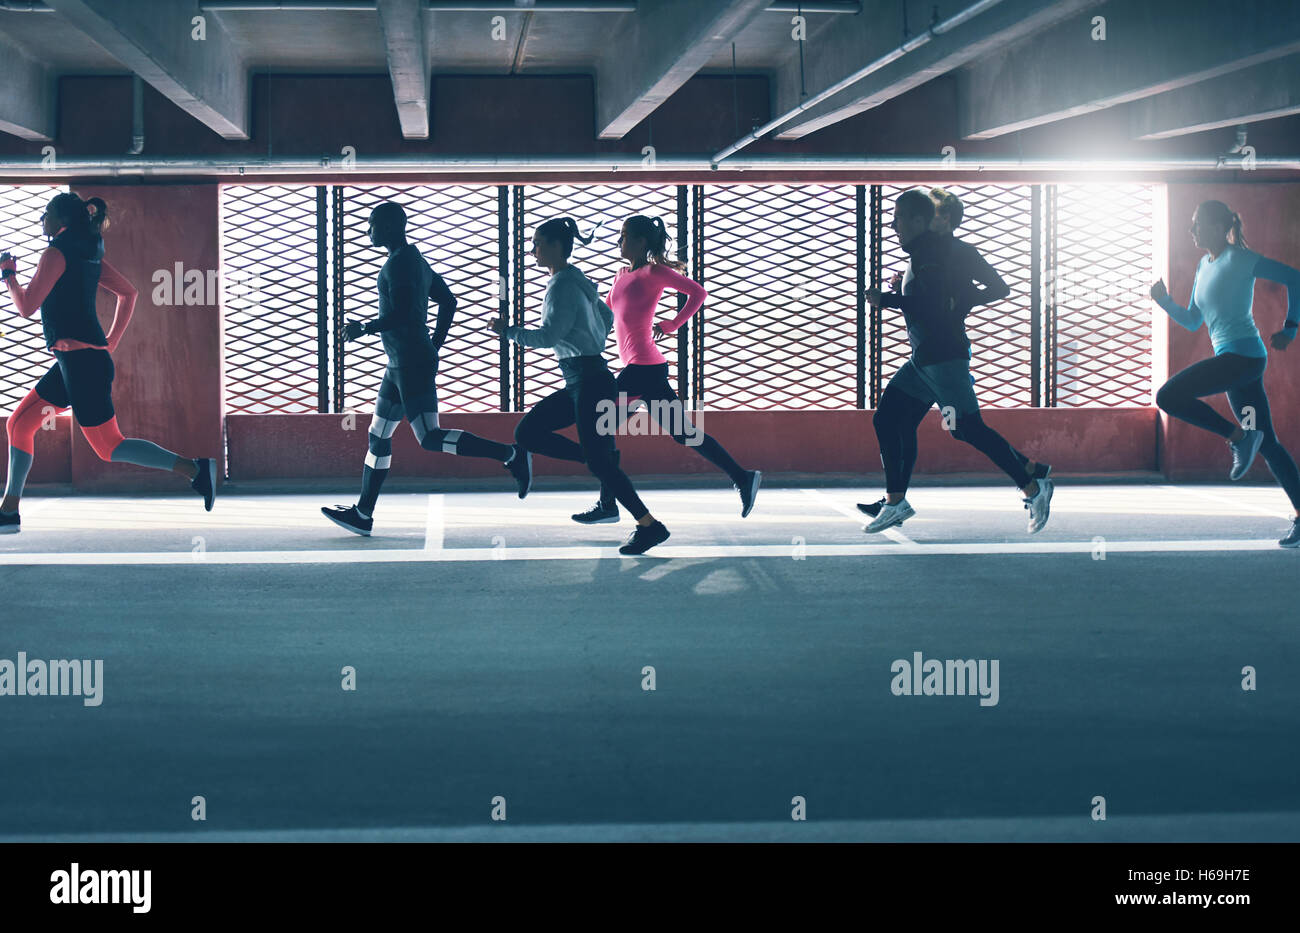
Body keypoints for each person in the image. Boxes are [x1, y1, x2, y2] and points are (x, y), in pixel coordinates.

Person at [1, 193, 215, 533]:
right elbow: (129, 294)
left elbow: (26, 307)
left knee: (109, 446)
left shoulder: (56, 253)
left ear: (60, 221)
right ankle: (9, 511)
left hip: (82, 365)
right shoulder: (88, 252)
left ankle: (195, 469)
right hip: (76, 363)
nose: (42, 219)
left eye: (45, 214)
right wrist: (109, 343)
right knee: (19, 424)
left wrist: (9, 276)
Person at [322, 201, 528, 536]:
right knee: (378, 435)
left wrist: (366, 328)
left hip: (410, 363)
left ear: (389, 226)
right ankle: (363, 513)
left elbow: (404, 314)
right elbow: (449, 302)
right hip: (401, 363)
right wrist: (435, 344)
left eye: (372, 224)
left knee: (430, 438)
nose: (367, 230)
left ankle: (510, 454)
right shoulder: (415, 260)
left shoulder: (401, 264)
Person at [863, 189, 1053, 535]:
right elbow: (930, 297)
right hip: (923, 360)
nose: (895, 225)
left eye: (907, 217)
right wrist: (908, 292)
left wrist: (893, 300)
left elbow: (966, 296)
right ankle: (895, 501)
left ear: (941, 219)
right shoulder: (926, 253)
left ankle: (1032, 487)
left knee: (966, 429)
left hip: (944, 359)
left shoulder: (949, 252)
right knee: (889, 419)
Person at [491, 216, 670, 555]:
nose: (533, 251)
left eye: (538, 244)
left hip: (587, 381)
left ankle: (649, 525)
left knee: (567, 448)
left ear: (557, 246)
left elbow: (547, 336)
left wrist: (507, 331)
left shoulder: (560, 284)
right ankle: (601, 466)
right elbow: (605, 318)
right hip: (587, 378)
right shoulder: (576, 278)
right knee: (529, 433)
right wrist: (592, 340)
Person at [570, 213, 759, 525]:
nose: (620, 241)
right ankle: (743, 476)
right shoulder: (620, 276)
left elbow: (698, 293)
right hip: (648, 369)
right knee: (683, 434)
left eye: (625, 236)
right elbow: (604, 318)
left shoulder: (654, 273)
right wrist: (586, 299)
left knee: (601, 425)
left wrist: (672, 324)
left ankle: (608, 505)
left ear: (642, 241)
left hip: (642, 368)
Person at [1150, 199, 1300, 547]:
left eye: (1198, 223)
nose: (1193, 230)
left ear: (1219, 227)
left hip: (1243, 359)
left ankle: (1238, 437)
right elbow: (1192, 320)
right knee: (1270, 445)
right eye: (1192, 223)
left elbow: (1295, 278)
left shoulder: (1240, 259)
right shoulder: (1205, 265)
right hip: (1238, 363)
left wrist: (1291, 328)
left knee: (1168, 396)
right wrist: (1165, 301)